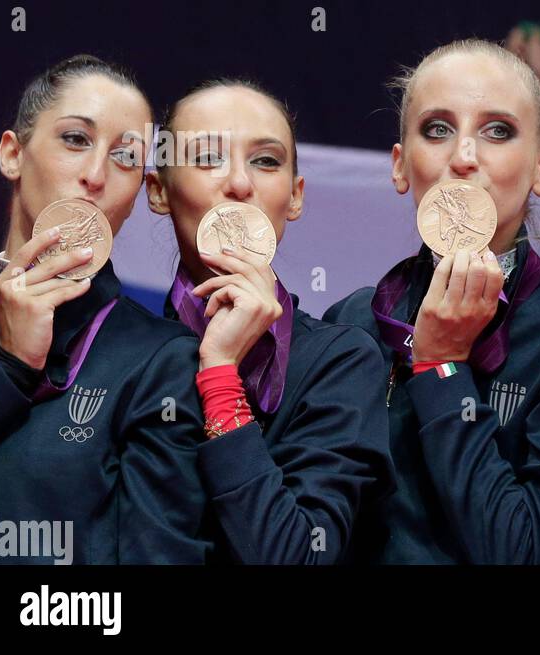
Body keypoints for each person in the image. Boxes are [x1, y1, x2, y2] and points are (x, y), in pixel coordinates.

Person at [322, 39, 540, 564]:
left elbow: (528, 552)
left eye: (497, 131)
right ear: (401, 165)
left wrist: (442, 368)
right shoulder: (354, 322)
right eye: (437, 129)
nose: (463, 158)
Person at [0, 55, 210, 564]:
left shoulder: (160, 359)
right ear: (13, 154)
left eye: (126, 157)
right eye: (75, 140)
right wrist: (5, 371)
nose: (96, 175)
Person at [145, 79, 392, 564]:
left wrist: (218, 373)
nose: (239, 184)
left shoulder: (341, 360)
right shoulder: (123, 352)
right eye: (208, 158)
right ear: (158, 191)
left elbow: (296, 556)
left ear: (295, 197)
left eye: (266, 161)